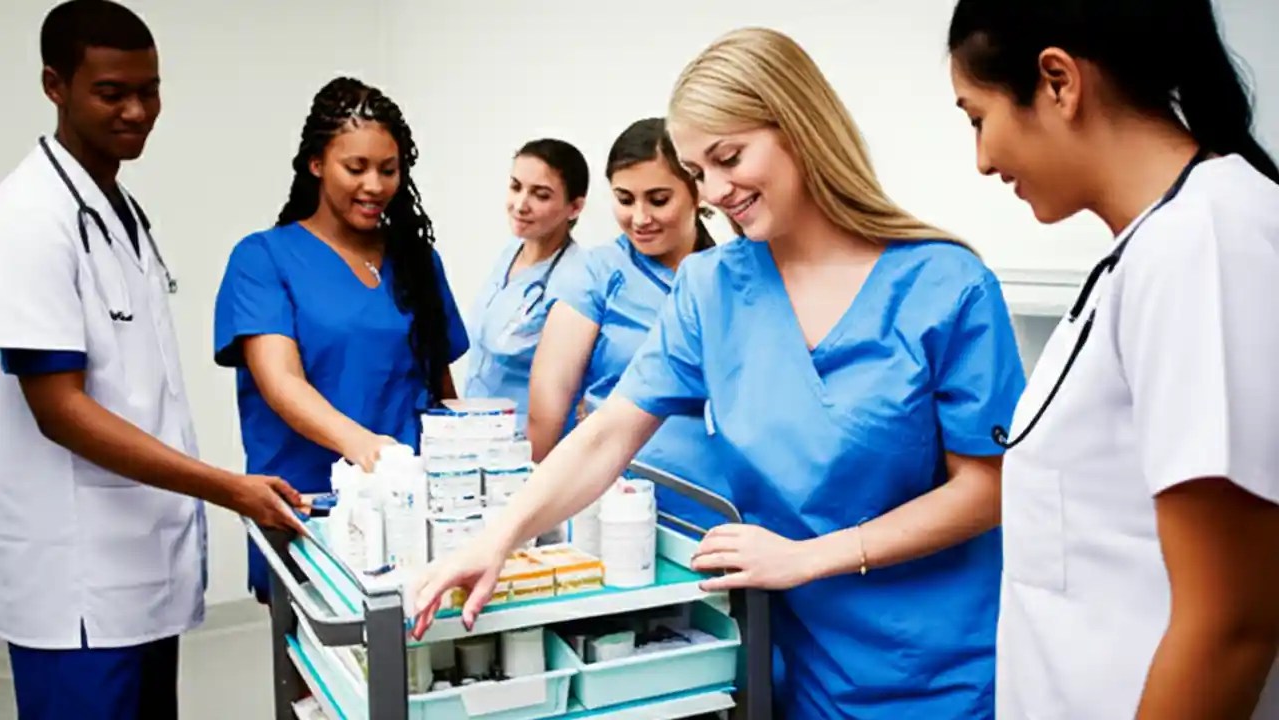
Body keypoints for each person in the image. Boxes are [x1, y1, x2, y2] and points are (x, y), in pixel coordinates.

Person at [412, 27, 1026, 719]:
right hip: (791, 659)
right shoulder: (713, 288)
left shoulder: (945, 284)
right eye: (699, 173)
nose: (713, 192)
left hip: (932, 670)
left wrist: (811, 557)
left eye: (729, 158)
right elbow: (610, 431)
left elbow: (988, 488)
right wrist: (498, 536)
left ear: (799, 124)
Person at [948, 0, 1279, 717]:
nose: (981, 160)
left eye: (978, 117)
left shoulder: (1205, 241)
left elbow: (1232, 624)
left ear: (1059, 82)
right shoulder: (1152, 247)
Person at [0, 2, 305, 717]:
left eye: (150, 89)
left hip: (140, 569)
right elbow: (60, 411)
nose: (137, 110)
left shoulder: (122, 210)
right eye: (112, 92)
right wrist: (226, 486)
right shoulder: (28, 218)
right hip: (76, 582)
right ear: (55, 86)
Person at [214, 77, 469, 603]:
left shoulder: (417, 264)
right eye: (355, 168)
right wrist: (367, 449)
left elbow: (438, 386)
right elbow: (280, 381)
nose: (374, 185)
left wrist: (465, 471)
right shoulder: (263, 259)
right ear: (315, 164)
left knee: (419, 674)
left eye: (388, 169)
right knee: (322, 679)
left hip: (411, 515)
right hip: (308, 511)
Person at [527, 117, 733, 534]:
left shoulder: (731, 275)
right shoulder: (598, 273)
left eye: (658, 200)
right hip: (621, 512)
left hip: (721, 510)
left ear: (697, 191)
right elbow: (547, 412)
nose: (640, 217)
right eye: (625, 199)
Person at [464, 138, 588, 432]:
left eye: (541, 195)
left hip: (526, 448)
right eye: (516, 186)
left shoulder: (575, 279)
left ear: (575, 207)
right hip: (475, 434)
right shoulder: (511, 252)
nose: (520, 205)